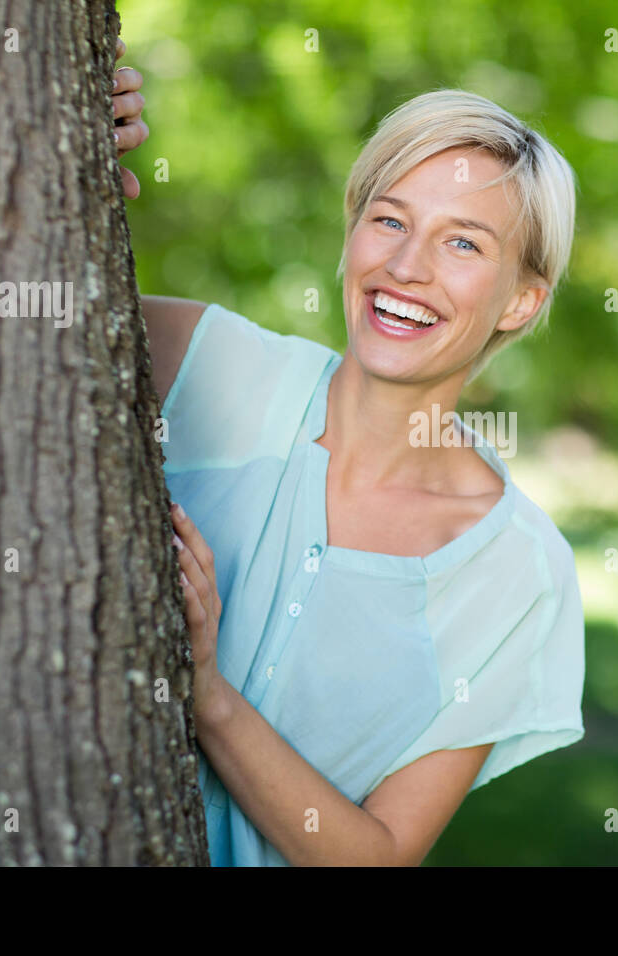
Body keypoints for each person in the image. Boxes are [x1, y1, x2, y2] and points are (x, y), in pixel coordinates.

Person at [112, 43, 585, 866]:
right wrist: (77, 156)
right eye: (390, 219)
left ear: (521, 300)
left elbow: (376, 856)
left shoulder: (515, 572)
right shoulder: (214, 366)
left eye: (463, 244)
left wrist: (208, 696)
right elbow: (6, 314)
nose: (406, 267)